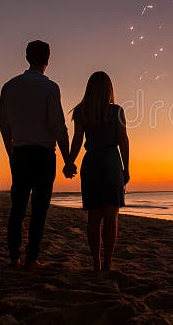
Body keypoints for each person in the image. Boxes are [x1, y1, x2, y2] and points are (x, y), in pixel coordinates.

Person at [0, 40, 74, 269]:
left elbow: (5, 126)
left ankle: (14, 255)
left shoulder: (9, 87)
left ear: (26, 57)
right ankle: (32, 257)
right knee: (39, 209)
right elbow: (58, 127)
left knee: (18, 206)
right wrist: (68, 160)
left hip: (20, 153)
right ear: (47, 60)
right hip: (43, 154)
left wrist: (11, 153)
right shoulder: (50, 88)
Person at [66, 71, 130, 272]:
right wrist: (126, 168)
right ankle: (108, 263)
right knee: (111, 217)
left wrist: (69, 162)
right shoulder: (116, 111)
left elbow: (77, 140)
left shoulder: (81, 111)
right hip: (111, 162)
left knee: (94, 218)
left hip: (91, 162)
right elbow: (123, 141)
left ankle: (96, 263)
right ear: (109, 89)